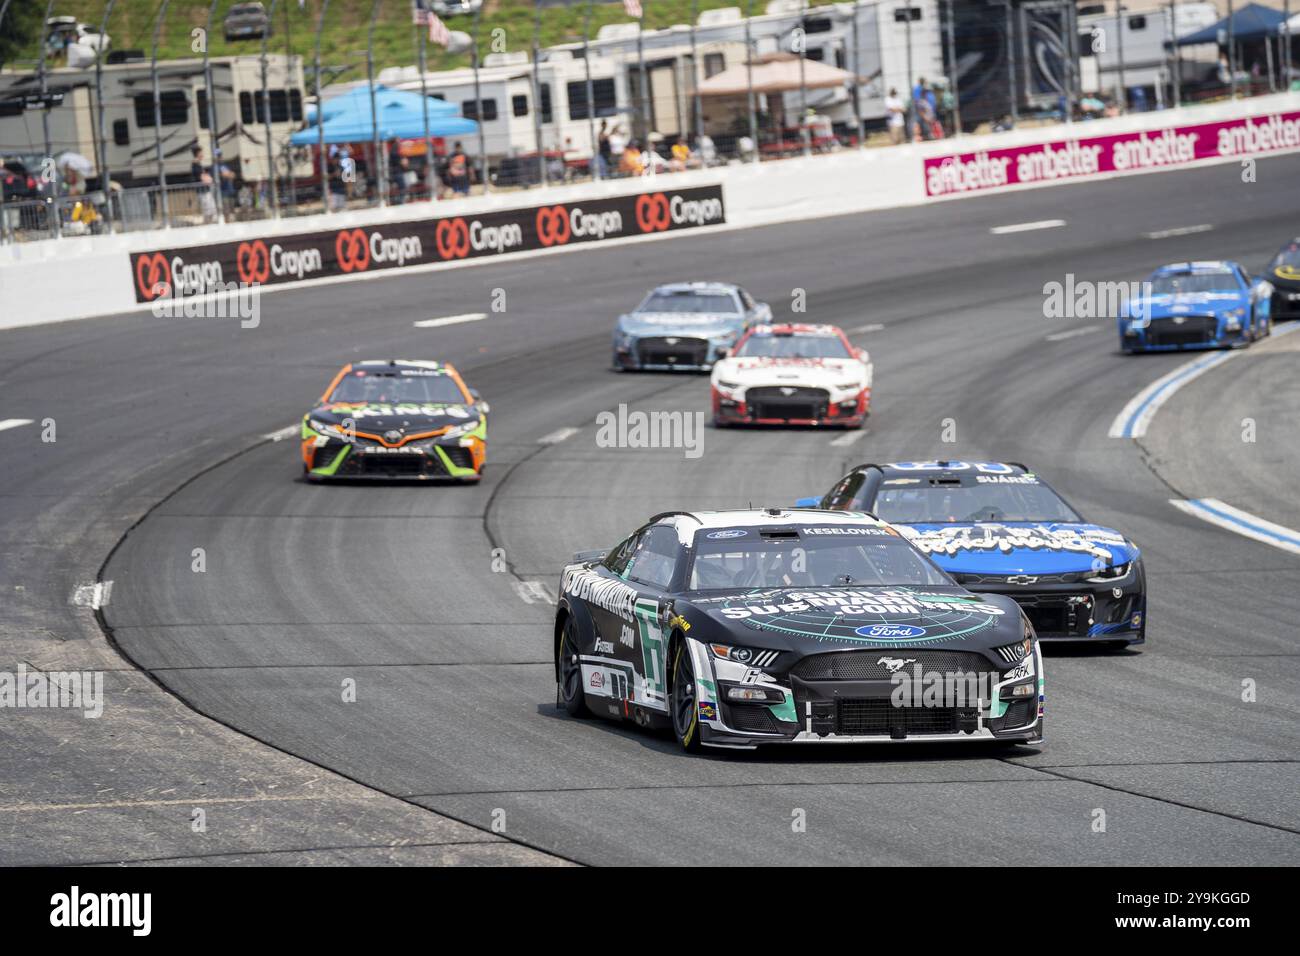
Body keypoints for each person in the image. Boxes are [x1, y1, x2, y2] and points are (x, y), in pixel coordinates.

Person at [190, 145, 217, 221]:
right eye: (201, 153)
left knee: (212, 210)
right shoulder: (195, 164)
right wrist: (210, 179)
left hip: (205, 190)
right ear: (198, 153)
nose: (202, 155)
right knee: (208, 211)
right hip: (203, 191)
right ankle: (207, 223)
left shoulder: (198, 164)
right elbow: (202, 177)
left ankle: (209, 223)